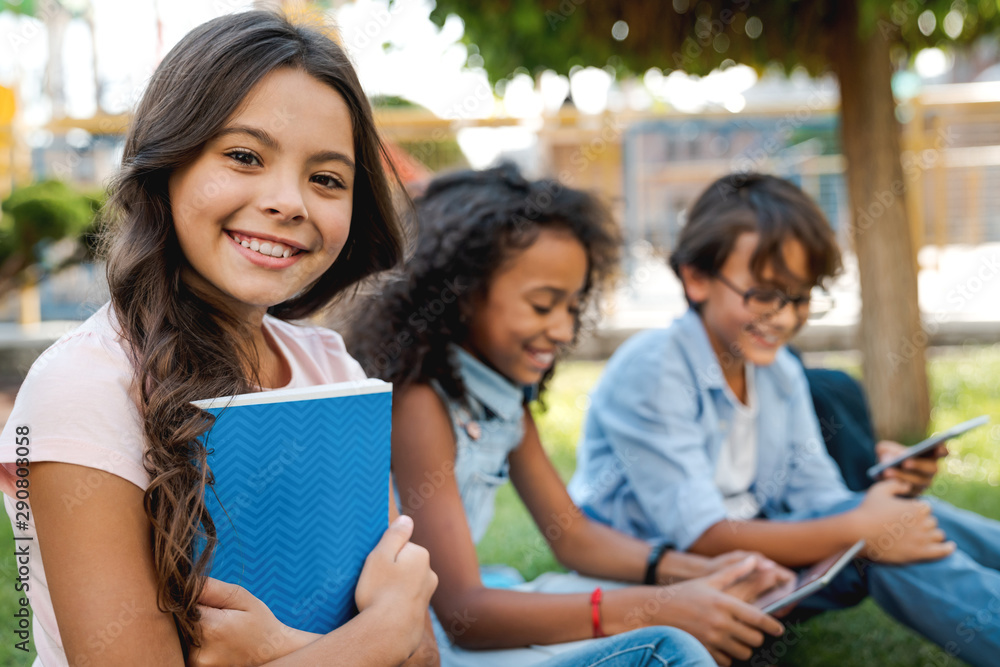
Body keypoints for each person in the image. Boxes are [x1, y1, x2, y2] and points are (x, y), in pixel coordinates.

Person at [0, 11, 440, 666]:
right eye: (243, 156)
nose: (289, 201)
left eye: (327, 178)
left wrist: (279, 650)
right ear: (168, 161)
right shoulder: (83, 387)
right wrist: (381, 632)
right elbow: (397, 638)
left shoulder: (333, 370)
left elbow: (424, 655)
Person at [351, 164, 794, 667]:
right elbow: (464, 613)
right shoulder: (420, 403)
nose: (564, 329)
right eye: (543, 306)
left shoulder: (503, 398)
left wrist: (702, 574)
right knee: (670, 649)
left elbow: (573, 536)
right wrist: (661, 610)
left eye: (573, 306)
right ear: (462, 294)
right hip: (426, 644)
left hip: (469, 620)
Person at [568, 172, 1000, 666]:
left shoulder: (778, 371)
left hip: (756, 562)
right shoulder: (653, 368)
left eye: (799, 298)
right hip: (665, 584)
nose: (784, 317)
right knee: (875, 539)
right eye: (765, 294)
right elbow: (703, 535)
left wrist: (879, 509)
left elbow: (820, 497)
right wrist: (865, 527)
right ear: (696, 277)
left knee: (899, 527)